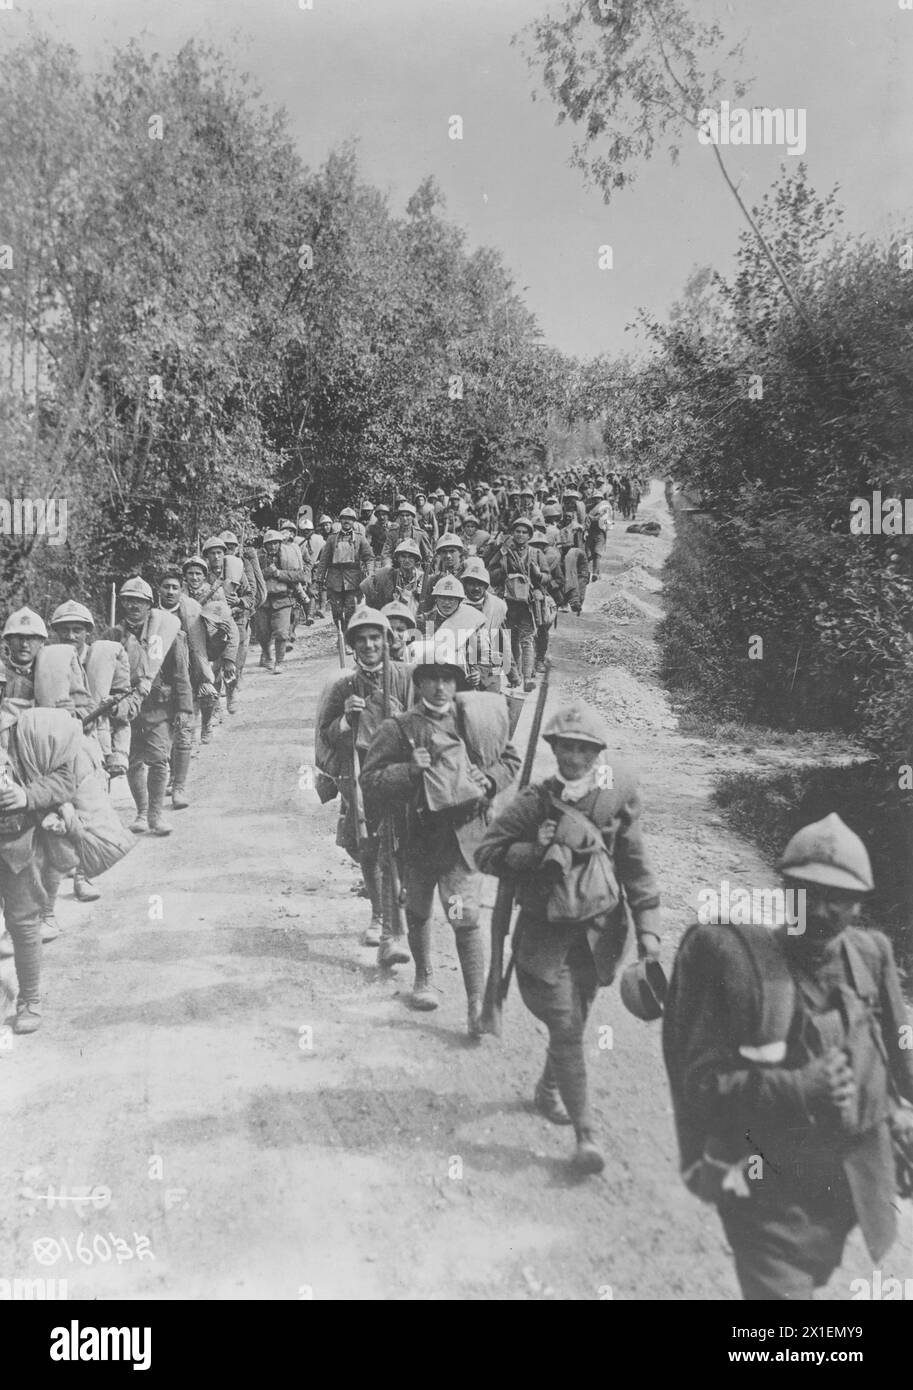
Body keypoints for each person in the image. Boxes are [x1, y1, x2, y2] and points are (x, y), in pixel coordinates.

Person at [663, 812, 913, 1302]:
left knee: (810, 1286)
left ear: (859, 904)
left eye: (837, 898)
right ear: (783, 891)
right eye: (804, 893)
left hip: (846, 1187)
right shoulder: (739, 970)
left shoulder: (871, 956)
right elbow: (702, 1089)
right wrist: (801, 1087)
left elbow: (903, 1052)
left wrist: (897, 1111)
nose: (819, 910)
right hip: (764, 1186)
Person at [475, 701, 662, 1173]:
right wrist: (532, 849)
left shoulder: (615, 801)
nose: (574, 757)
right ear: (554, 749)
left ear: (597, 753)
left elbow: (636, 869)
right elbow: (486, 853)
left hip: (600, 935)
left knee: (574, 1021)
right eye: (565, 747)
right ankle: (587, 1135)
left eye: (584, 749)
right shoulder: (534, 802)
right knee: (566, 1027)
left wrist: (650, 936)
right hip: (544, 937)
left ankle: (548, 1088)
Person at [361, 639, 520, 1035]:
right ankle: (423, 977)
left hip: (462, 838)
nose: (439, 687)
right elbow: (370, 780)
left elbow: (510, 759)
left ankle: (475, 1005)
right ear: (418, 682)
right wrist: (408, 772)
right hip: (417, 838)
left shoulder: (475, 719)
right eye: (430, 678)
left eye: (447, 679)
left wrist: (491, 780)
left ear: (457, 682)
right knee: (418, 910)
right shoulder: (399, 728)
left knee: (464, 918)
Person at [314, 608, 413, 953]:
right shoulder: (344, 685)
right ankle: (378, 914)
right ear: (353, 645)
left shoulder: (406, 677)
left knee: (401, 845)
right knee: (367, 848)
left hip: (401, 775)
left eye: (376, 638)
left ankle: (397, 913)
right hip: (359, 776)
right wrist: (345, 718)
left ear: (388, 641)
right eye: (362, 640)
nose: (370, 645)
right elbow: (326, 734)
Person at [0, 700, 83, 1033]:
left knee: (23, 922)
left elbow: (66, 779)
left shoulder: (30, 729)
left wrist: (28, 795)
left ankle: (29, 1000)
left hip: (17, 843)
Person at [113, 576, 194, 837]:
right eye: (128, 600)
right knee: (134, 761)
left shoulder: (166, 633)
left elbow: (180, 674)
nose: (133, 606)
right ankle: (141, 812)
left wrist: (184, 708)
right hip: (127, 709)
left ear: (149, 604)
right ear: (122, 603)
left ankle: (156, 816)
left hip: (159, 707)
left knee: (159, 760)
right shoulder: (113, 635)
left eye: (139, 601)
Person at [487, 516, 544, 692]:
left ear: (529, 535)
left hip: (527, 603)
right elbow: (491, 573)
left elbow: (547, 578)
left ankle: (527, 678)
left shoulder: (536, 553)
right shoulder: (503, 552)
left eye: (524, 532)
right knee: (508, 640)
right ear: (512, 533)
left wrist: (537, 573)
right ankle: (515, 676)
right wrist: (504, 572)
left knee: (527, 639)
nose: (520, 535)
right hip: (507, 602)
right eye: (517, 531)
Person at [313, 510, 374, 633]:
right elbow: (324, 560)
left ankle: (348, 637)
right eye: (344, 518)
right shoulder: (332, 539)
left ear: (353, 521)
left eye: (350, 519)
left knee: (350, 611)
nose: (347, 521)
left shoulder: (359, 538)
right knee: (337, 612)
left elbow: (369, 557)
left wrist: (370, 574)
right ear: (340, 521)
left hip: (353, 580)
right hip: (334, 579)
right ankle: (342, 634)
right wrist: (318, 579)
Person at [257, 528, 308, 671]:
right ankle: (266, 655)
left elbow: (300, 576)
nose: (273, 547)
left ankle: (279, 662)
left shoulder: (289, 556)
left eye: (275, 543)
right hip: (263, 601)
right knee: (262, 633)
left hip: (283, 599)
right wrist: (265, 573)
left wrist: (279, 573)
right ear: (265, 545)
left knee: (281, 632)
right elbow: (251, 578)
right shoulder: (258, 557)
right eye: (269, 544)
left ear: (280, 544)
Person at [359, 538, 423, 612]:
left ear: (416, 559)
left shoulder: (422, 578)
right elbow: (365, 585)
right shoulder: (388, 574)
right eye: (403, 556)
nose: (407, 560)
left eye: (410, 557)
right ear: (398, 558)